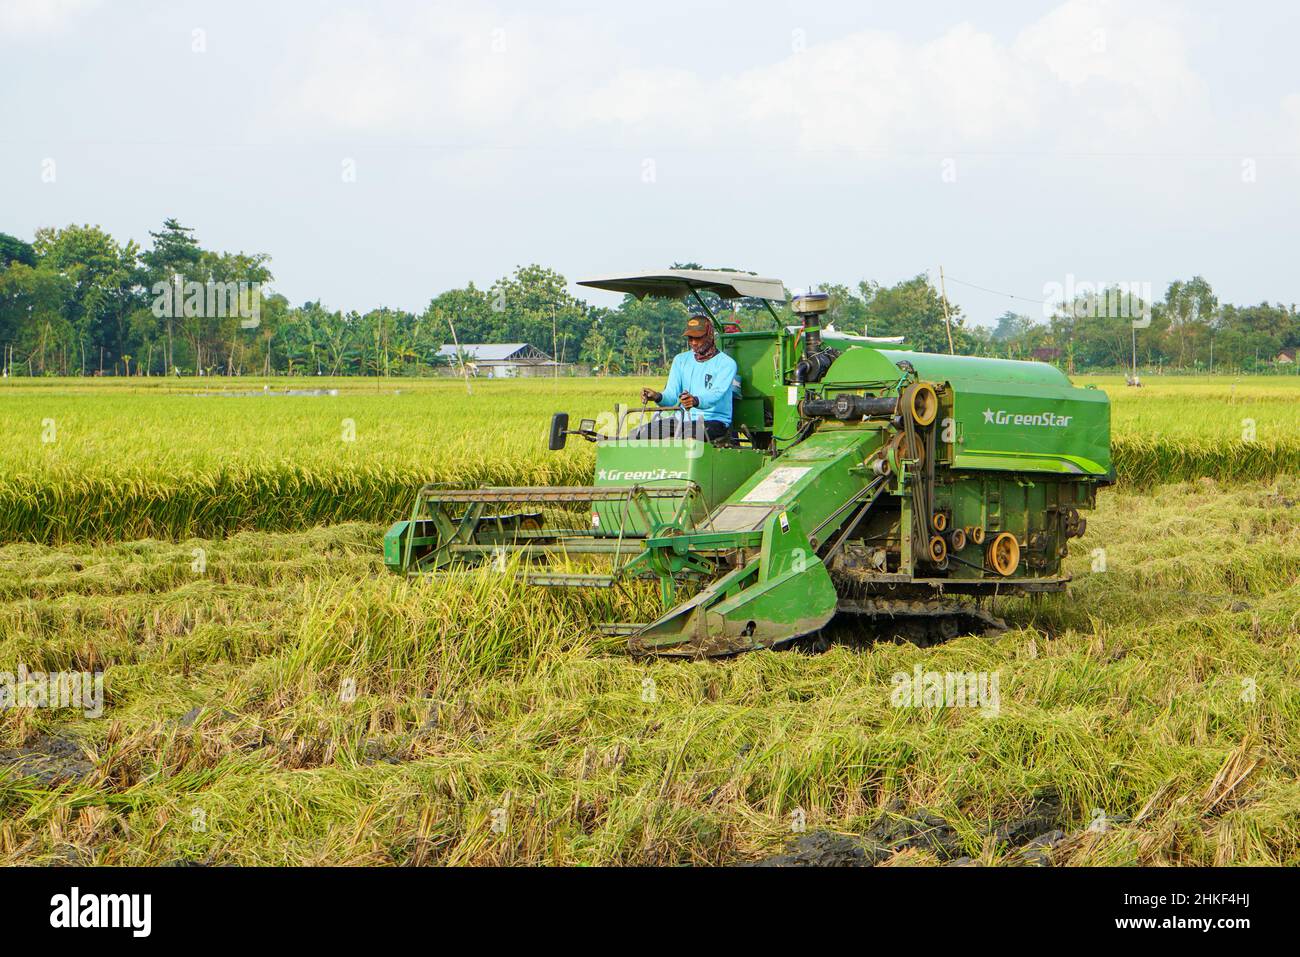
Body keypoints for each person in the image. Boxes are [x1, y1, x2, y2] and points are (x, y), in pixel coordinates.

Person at [635, 314, 738, 442]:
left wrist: (695, 400)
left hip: (713, 421)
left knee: (688, 438)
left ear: (710, 336)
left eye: (698, 338)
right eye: (690, 338)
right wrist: (657, 396)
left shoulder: (726, 364)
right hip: (681, 420)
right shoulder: (680, 360)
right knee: (638, 434)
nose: (694, 343)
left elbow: (715, 395)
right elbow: (672, 396)